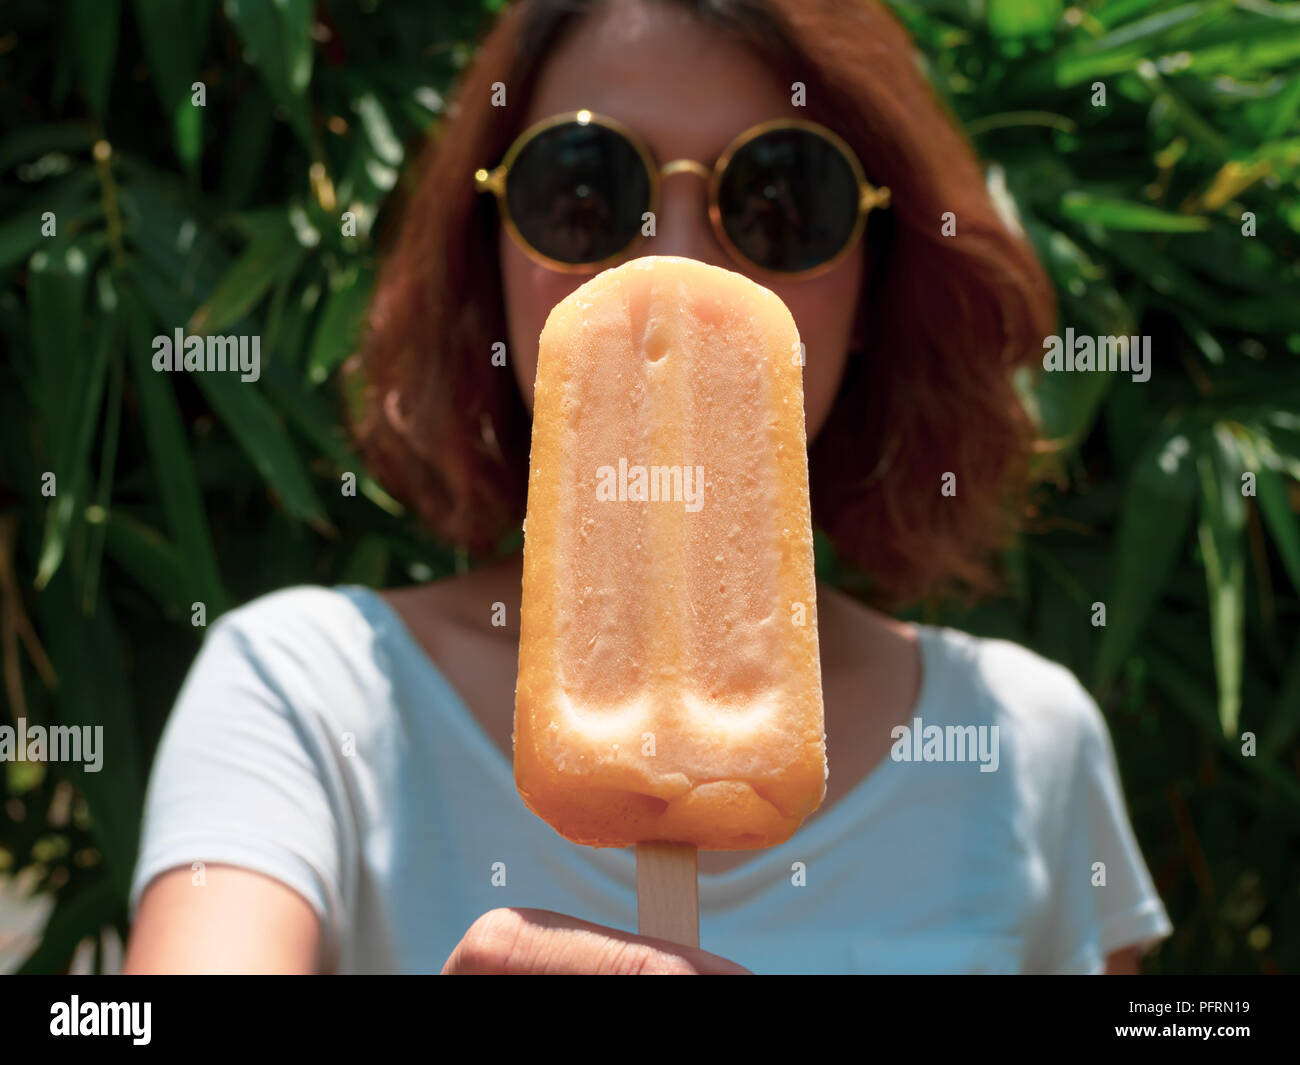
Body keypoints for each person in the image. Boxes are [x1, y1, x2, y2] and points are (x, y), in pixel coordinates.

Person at [123, 0, 1172, 974]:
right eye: (583, 194)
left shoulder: (1026, 742)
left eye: (779, 199)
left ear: (879, 263)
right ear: (485, 245)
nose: (672, 265)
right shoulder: (305, 692)